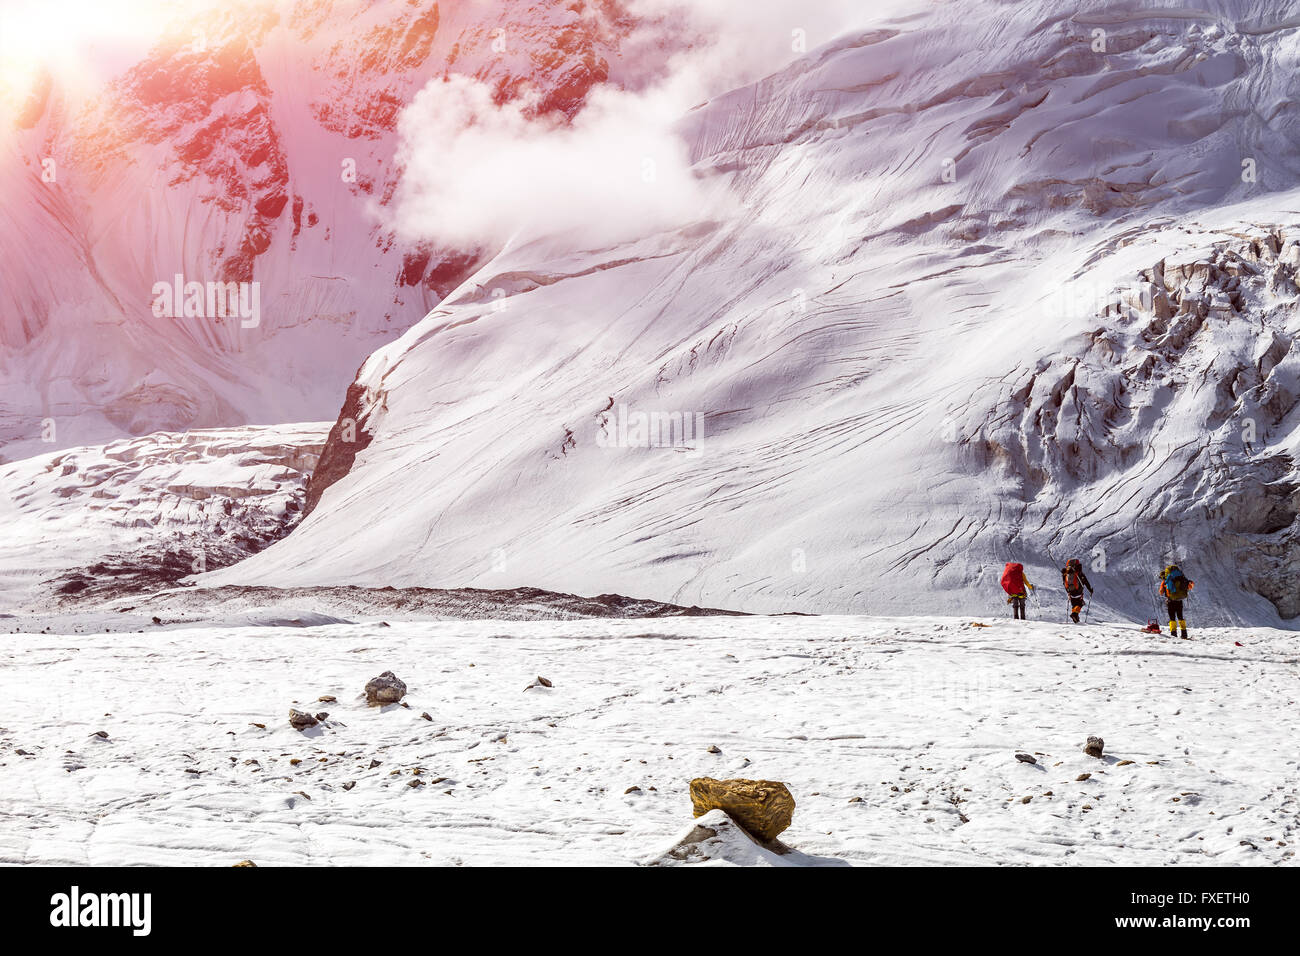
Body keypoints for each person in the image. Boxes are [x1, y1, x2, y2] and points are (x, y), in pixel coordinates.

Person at [1158, 564, 1194, 639]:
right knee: (1180, 617)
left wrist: (1164, 588)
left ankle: (1173, 634)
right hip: (1179, 600)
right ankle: (1184, 634)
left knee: (1172, 618)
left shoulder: (1165, 581)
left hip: (1170, 601)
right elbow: (1190, 587)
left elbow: (1161, 592)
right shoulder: (1181, 578)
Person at [1061, 558, 1094, 623]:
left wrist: (1068, 592)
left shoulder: (1065, 573)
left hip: (1071, 592)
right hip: (1078, 592)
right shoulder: (1079, 572)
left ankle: (1075, 618)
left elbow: (1064, 583)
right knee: (1080, 603)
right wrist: (1090, 590)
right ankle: (1075, 615)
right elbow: (1086, 582)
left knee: (1074, 605)